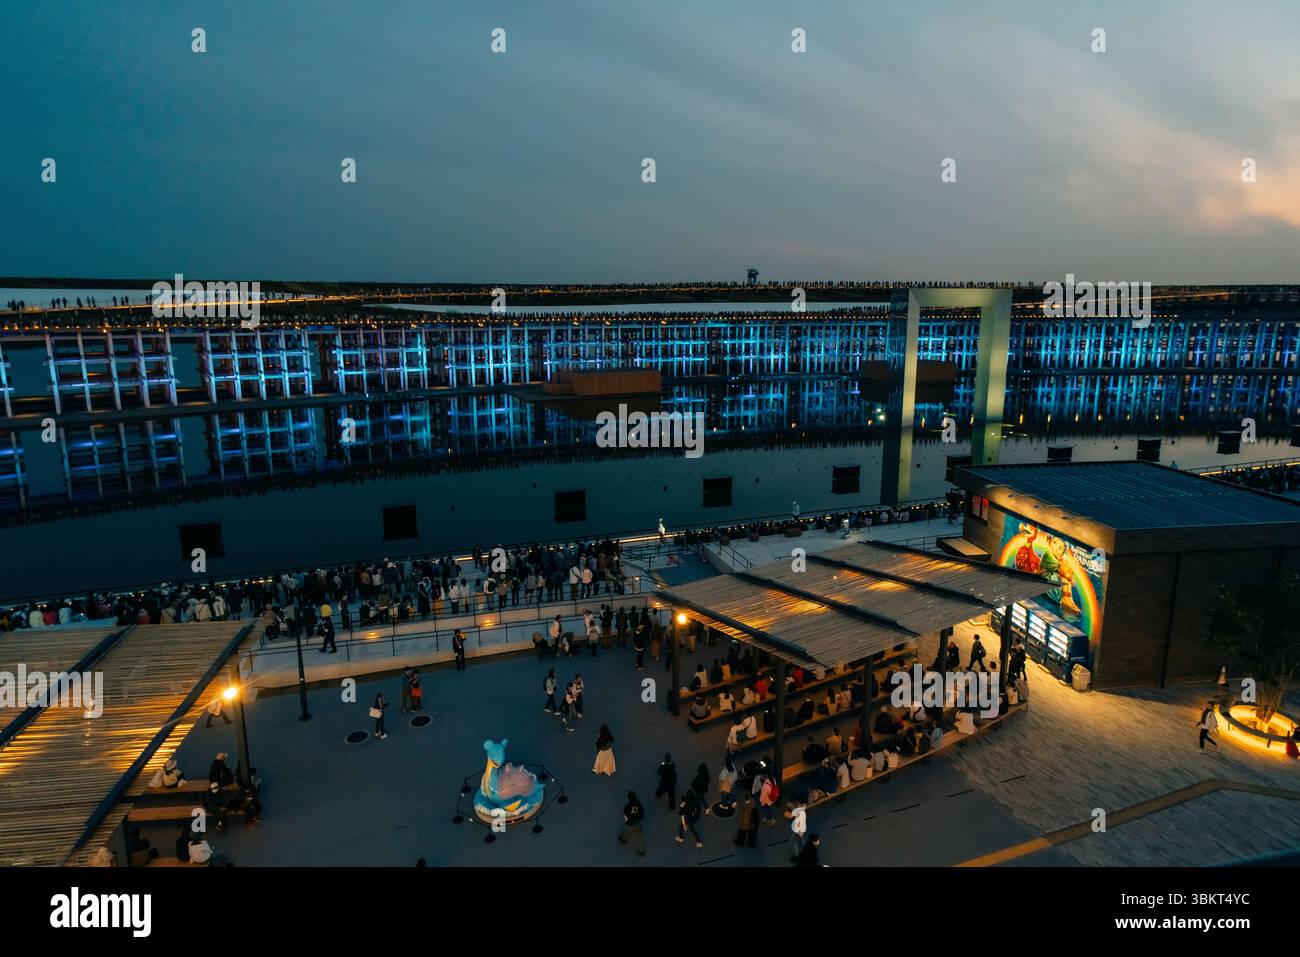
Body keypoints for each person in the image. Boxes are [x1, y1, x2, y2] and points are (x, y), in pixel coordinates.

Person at [619, 791, 646, 855]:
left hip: (630, 824)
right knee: (639, 836)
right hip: (637, 822)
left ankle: (623, 839)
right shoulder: (638, 803)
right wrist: (637, 818)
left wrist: (628, 822)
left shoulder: (627, 807)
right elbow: (642, 813)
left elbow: (626, 817)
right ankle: (641, 850)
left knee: (627, 831)